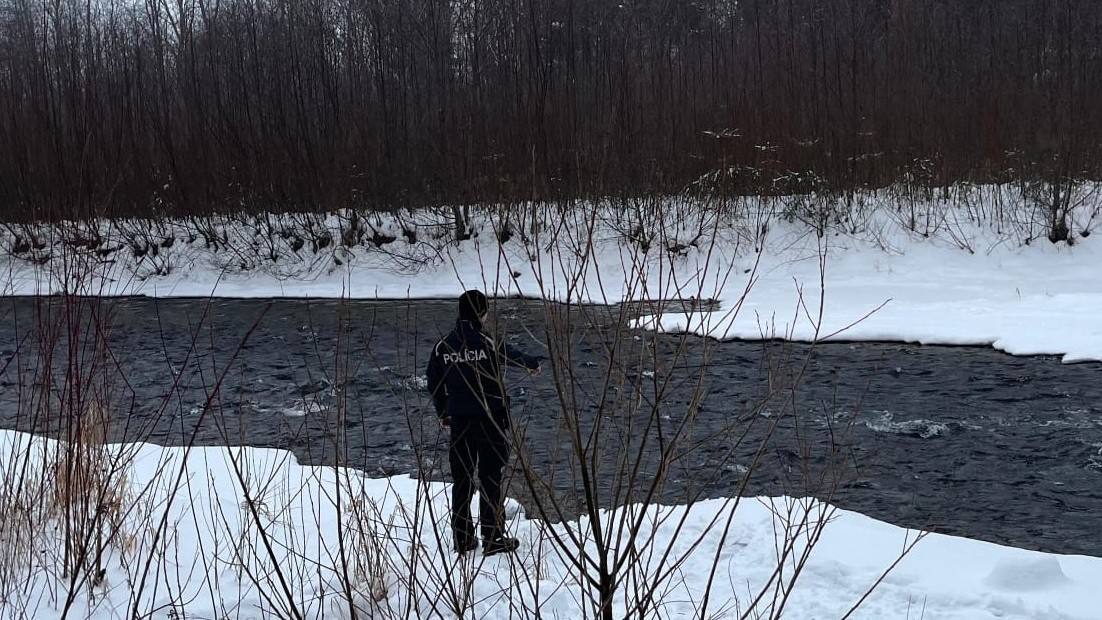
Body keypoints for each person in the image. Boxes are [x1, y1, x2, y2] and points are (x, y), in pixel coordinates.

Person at [426, 289, 542, 556]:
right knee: (490, 477)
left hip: (459, 423)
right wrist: (532, 364)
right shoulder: (485, 342)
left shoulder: (442, 347)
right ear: (481, 313)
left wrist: (443, 412)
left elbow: (433, 382)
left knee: (462, 479)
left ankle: (463, 538)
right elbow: (510, 354)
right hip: (489, 420)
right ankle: (492, 537)